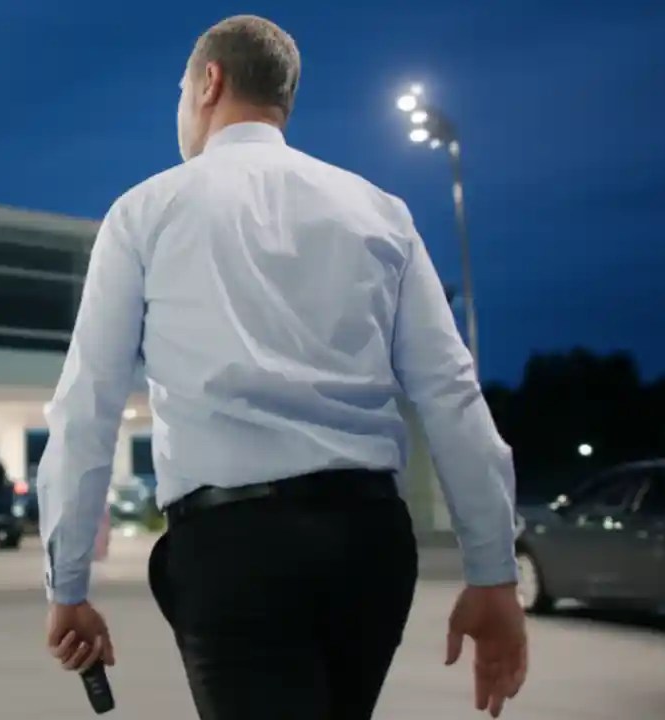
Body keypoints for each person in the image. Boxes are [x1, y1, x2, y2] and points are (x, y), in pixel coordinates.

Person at [37, 14, 528, 720]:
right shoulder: (380, 212)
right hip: (370, 546)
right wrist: (494, 575)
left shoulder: (145, 213)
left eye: (181, 88)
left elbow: (88, 406)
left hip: (232, 551)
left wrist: (68, 586)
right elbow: (450, 393)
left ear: (209, 82)